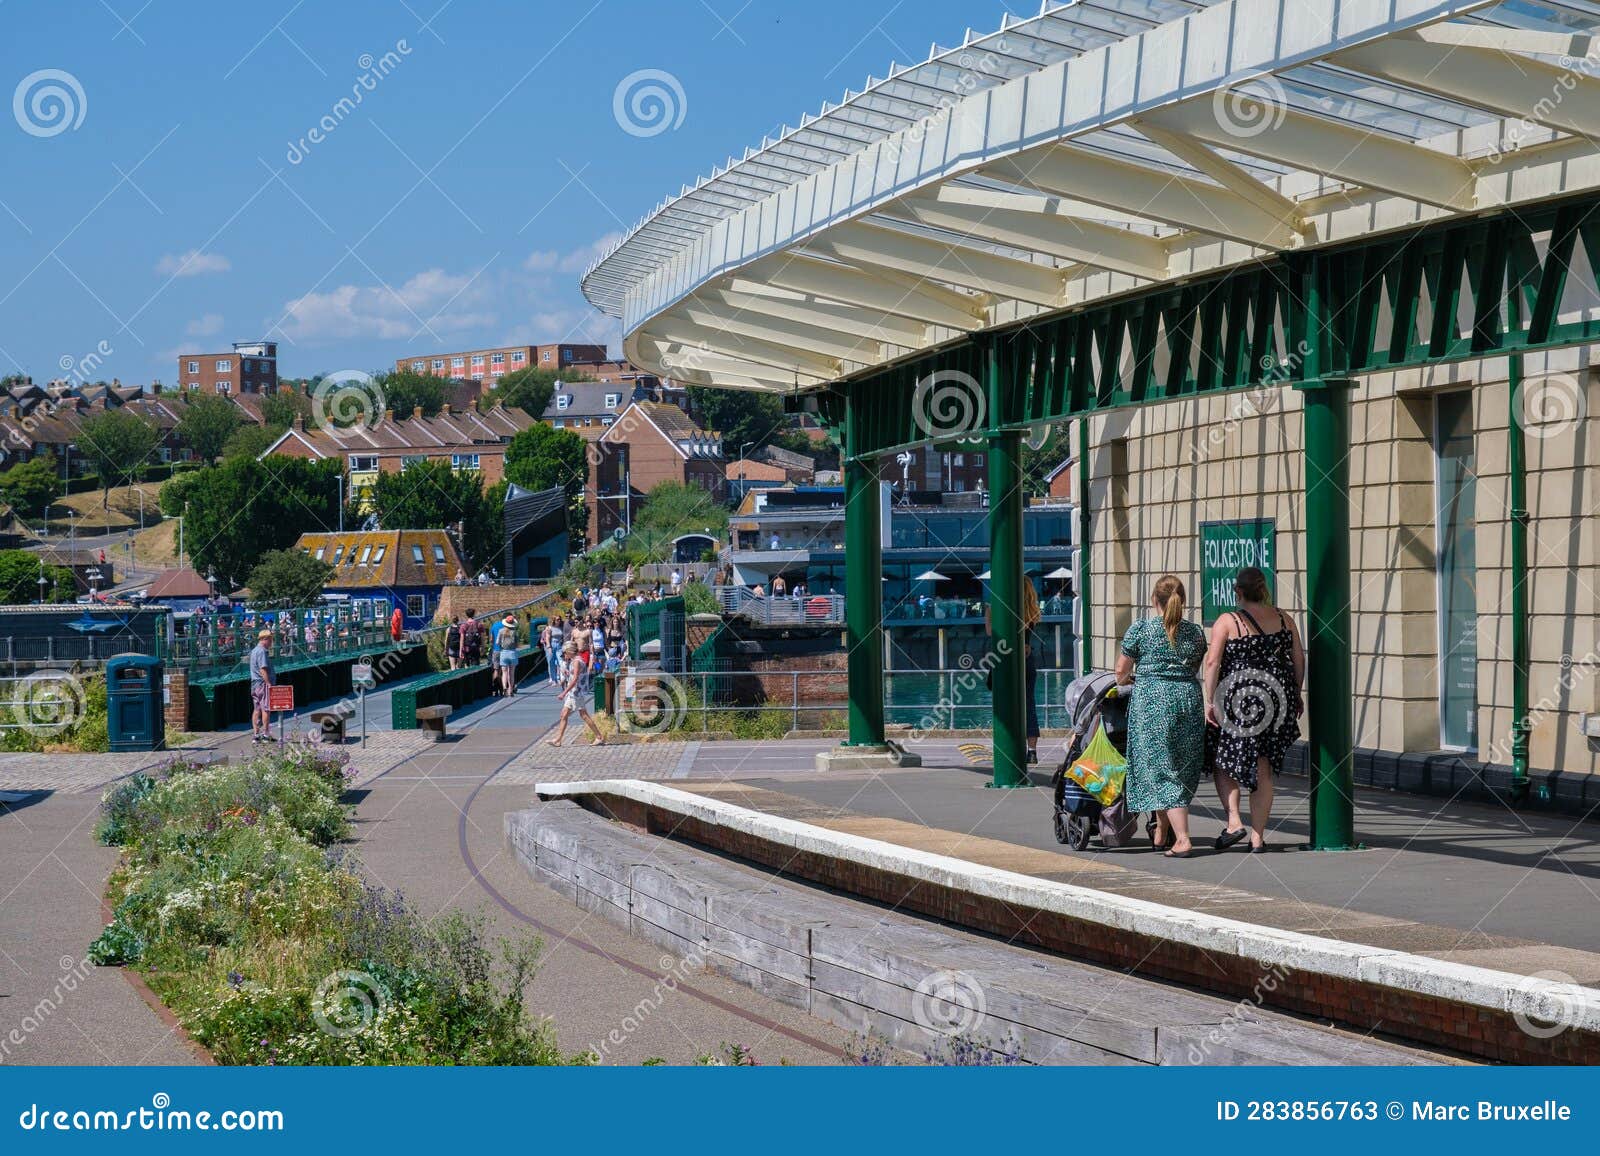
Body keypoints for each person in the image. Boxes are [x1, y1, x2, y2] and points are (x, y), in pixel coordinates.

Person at [1203, 566, 1305, 854]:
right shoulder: (1285, 618)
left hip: (1240, 698)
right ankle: (1258, 837)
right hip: (1276, 698)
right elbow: (1298, 657)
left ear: (1238, 591)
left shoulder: (1229, 620)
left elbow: (1212, 662)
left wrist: (1209, 700)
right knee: (1263, 768)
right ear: (1264, 589)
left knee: (1223, 759)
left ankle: (1234, 821)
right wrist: (1295, 693)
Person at [1116, 575, 1207, 858]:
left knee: (1160, 767)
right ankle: (1161, 831)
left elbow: (1120, 673)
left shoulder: (1141, 629)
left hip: (1152, 702)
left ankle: (1182, 838)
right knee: (1178, 764)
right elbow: (1194, 663)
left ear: (1154, 600)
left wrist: (1137, 677)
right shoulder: (1195, 632)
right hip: (1188, 701)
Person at [548, 641, 606, 747]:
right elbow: (576, 675)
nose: (564, 655)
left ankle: (599, 737)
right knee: (564, 714)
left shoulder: (576, 661)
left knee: (583, 715)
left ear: (570, 651)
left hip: (576, 692)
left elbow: (575, 679)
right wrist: (567, 673)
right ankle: (558, 739)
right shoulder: (576, 660)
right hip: (574, 692)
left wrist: (563, 692)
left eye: (565, 652)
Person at [249, 629, 276, 744]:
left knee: (256, 709)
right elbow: (263, 669)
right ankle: (265, 734)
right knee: (266, 709)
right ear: (265, 639)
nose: (271, 642)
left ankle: (256, 735)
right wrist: (268, 683)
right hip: (262, 684)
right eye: (270, 639)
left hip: (254, 684)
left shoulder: (254, 650)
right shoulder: (262, 651)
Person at [496, 615, 519, 696]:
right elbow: (517, 644)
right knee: (511, 673)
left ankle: (504, 688)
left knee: (504, 672)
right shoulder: (515, 632)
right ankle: (511, 689)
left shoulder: (501, 631)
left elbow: (497, 642)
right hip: (512, 653)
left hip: (503, 653)